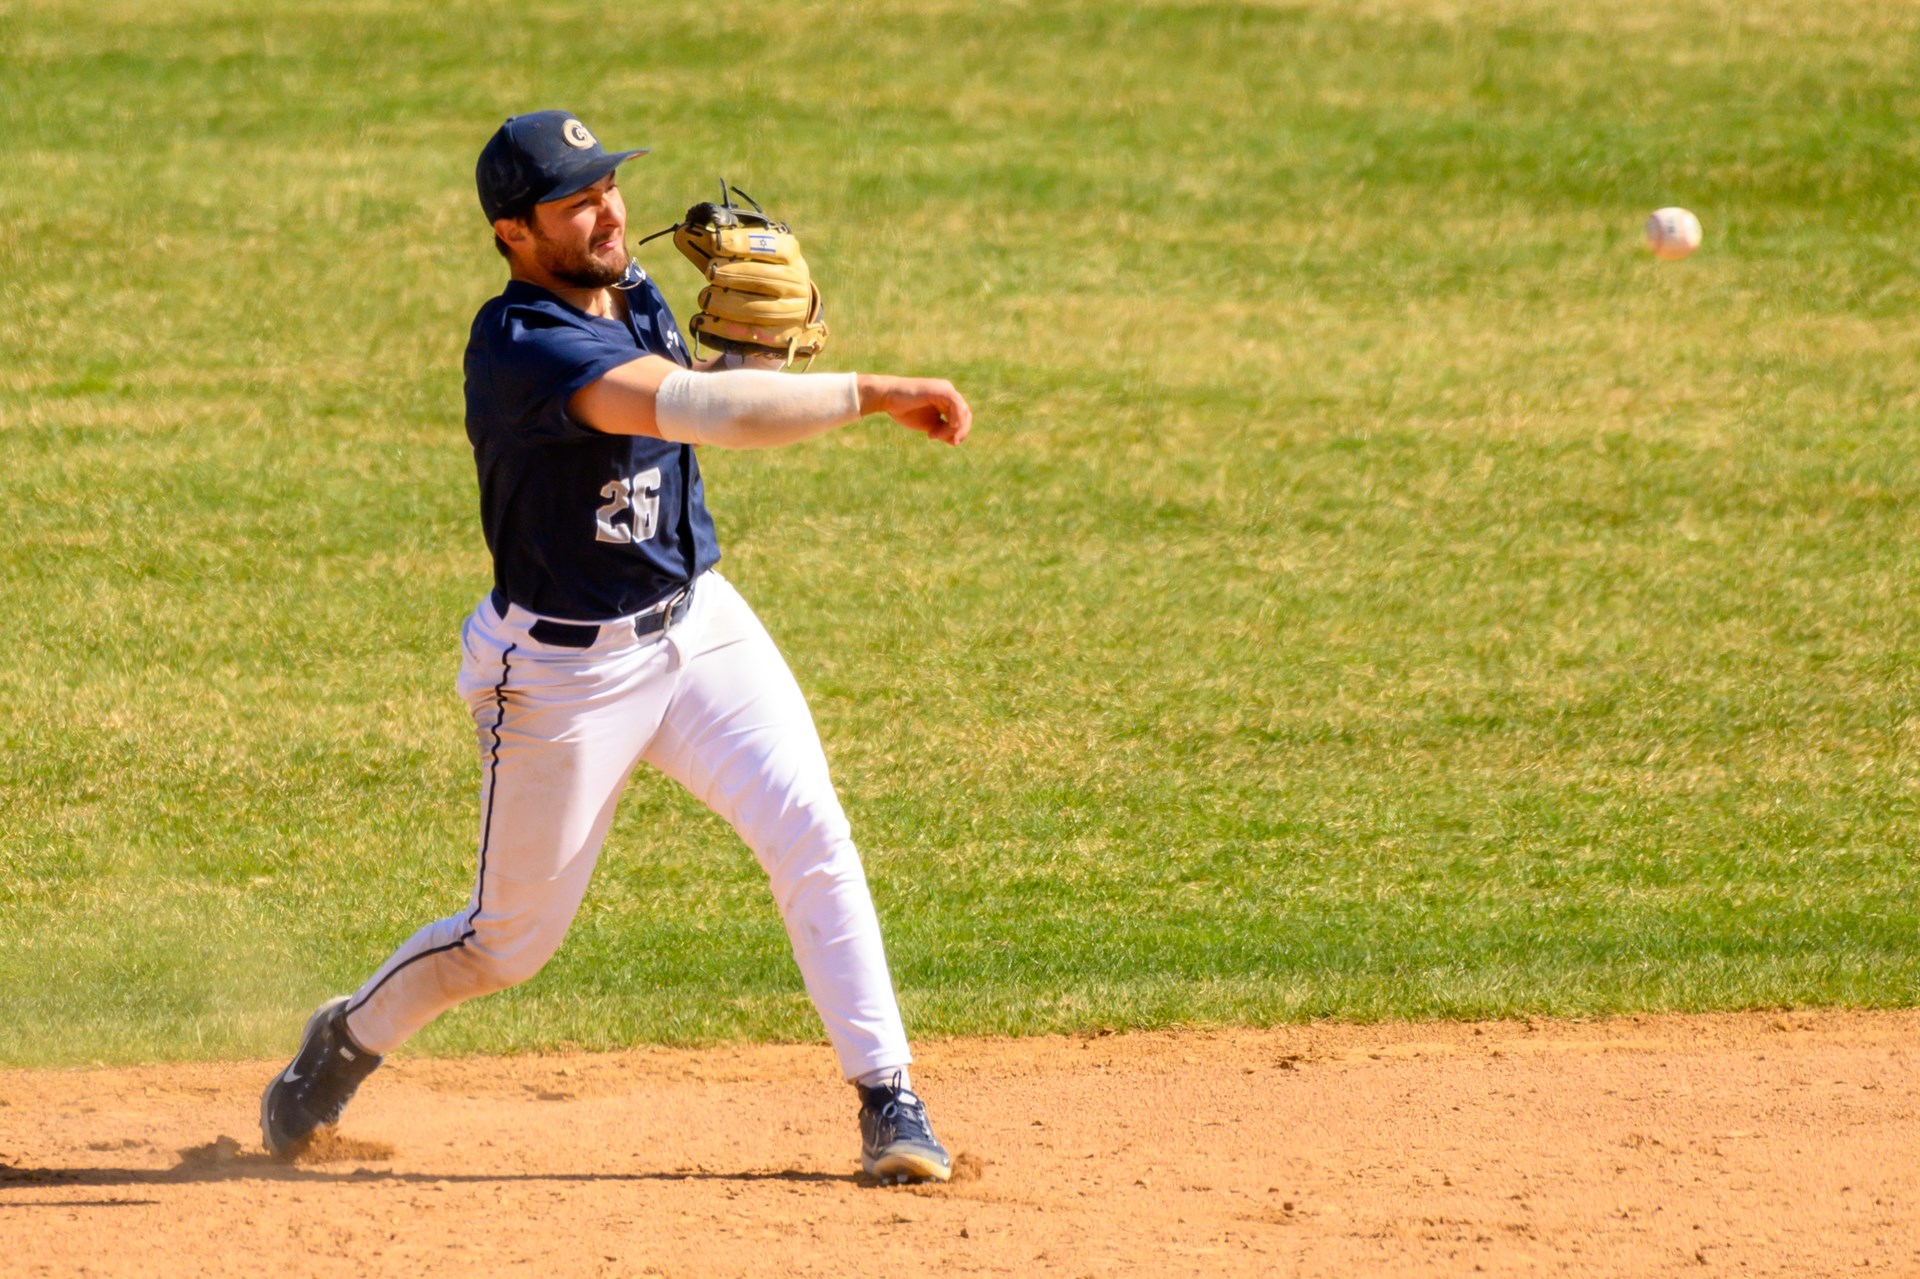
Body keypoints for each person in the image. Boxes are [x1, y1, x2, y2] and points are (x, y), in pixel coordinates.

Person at [259, 110, 971, 1185]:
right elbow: (690, 407)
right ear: (512, 232)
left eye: (609, 188)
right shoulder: (523, 349)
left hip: (700, 623)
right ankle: (343, 1042)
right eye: (575, 202)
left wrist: (751, 356)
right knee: (505, 944)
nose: (608, 213)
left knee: (812, 831)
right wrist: (872, 394)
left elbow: (709, 386)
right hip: (563, 675)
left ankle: (890, 1101)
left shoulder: (629, 291)